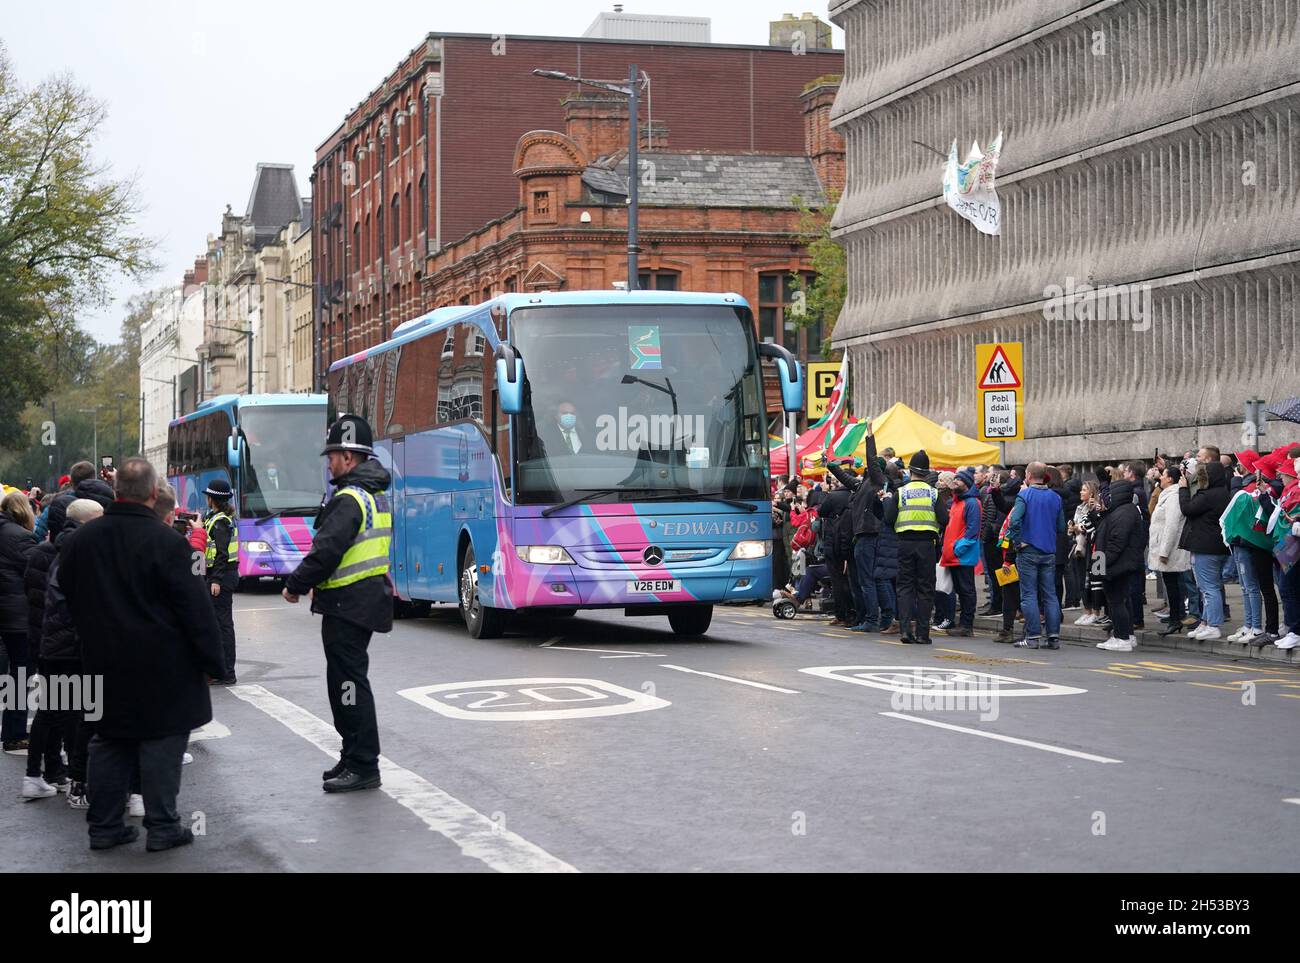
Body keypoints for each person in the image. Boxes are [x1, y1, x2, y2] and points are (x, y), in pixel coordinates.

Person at [59, 457, 224, 851]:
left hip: (101, 658)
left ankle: (104, 826)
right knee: (162, 741)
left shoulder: (81, 540)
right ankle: (163, 825)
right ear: (154, 493)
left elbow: (68, 591)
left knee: (109, 740)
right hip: (164, 666)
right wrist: (213, 662)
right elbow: (196, 611)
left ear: (116, 492)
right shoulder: (170, 544)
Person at [282, 414, 393, 793]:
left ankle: (363, 764)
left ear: (348, 457)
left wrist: (295, 584)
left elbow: (326, 550)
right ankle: (353, 755)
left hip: (349, 605)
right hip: (360, 602)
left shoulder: (349, 499)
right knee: (344, 683)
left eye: (332, 455)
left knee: (348, 685)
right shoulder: (372, 494)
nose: (328, 462)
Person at [22, 498, 105, 801]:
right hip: (70, 645)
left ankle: (42, 773)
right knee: (77, 715)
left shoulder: (50, 549)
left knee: (52, 710)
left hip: (48, 643)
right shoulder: (79, 551)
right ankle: (75, 780)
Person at [825, 428, 886, 632]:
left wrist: (869, 436)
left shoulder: (877, 481)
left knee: (866, 581)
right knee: (860, 581)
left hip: (869, 536)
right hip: (860, 537)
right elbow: (845, 478)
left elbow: (872, 459)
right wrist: (831, 464)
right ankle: (865, 618)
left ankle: (872, 619)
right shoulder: (863, 485)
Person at [885, 450, 948, 645]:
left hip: (904, 544)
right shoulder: (934, 493)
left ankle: (905, 630)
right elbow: (944, 519)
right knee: (925, 589)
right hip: (927, 545)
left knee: (905, 588)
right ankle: (922, 634)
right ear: (927, 473)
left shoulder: (900, 492)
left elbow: (888, 520)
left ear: (910, 471)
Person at [1005, 462, 1066, 649]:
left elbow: (1014, 520)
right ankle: (1053, 637)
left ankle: (1032, 637)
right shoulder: (1055, 498)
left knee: (1029, 594)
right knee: (1050, 595)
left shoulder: (1024, 495)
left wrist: (1016, 540)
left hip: (1028, 549)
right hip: (1048, 551)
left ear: (1029, 475)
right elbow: (1061, 527)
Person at [1, 490, 39, 751]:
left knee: (16, 673)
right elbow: (37, 572)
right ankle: (14, 733)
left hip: (6, 612)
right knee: (22, 673)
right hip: (18, 615)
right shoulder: (21, 538)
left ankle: (11, 730)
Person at [1178, 459, 1231, 641]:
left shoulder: (1208, 495)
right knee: (1208, 587)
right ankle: (1206, 622)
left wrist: (1184, 489)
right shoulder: (1223, 493)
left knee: (1209, 588)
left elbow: (1187, 508)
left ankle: (1213, 625)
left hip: (1206, 547)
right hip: (1214, 546)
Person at [1093, 474, 1146, 651]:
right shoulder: (1123, 510)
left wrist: (1102, 563)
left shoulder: (1124, 513)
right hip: (1119, 563)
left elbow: (1116, 542)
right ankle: (1126, 635)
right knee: (1122, 600)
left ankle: (1121, 637)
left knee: (1115, 601)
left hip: (1116, 564)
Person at [1148, 467, 1193, 637]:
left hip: (1170, 549)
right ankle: (1176, 617)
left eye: (1164, 475)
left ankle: (1176, 619)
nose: (1161, 477)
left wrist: (1164, 551)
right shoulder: (1167, 493)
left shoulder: (1173, 496)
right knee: (1172, 584)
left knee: (1173, 586)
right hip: (1165, 547)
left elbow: (1172, 525)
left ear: (1171, 480)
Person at [202, 478, 240, 684]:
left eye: (208, 496)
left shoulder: (220, 522)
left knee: (222, 624)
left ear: (212, 499)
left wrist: (215, 580)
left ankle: (226, 672)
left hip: (222, 577)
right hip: (221, 575)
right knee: (219, 623)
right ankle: (221, 670)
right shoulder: (216, 518)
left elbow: (222, 554)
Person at [937, 468, 981, 637]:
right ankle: (962, 624)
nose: (954, 481)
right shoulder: (957, 502)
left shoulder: (971, 503)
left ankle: (966, 625)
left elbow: (972, 532)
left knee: (966, 591)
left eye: (959, 479)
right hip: (954, 555)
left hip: (961, 556)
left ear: (967, 483)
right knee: (960, 591)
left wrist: (956, 549)